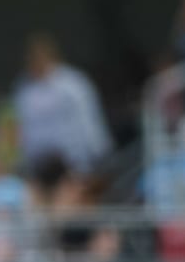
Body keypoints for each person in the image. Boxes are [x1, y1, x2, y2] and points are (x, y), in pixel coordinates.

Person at [11, 33, 112, 211]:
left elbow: (89, 122)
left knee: (71, 214)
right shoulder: (23, 88)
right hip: (38, 169)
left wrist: (96, 160)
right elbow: (19, 127)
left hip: (73, 166)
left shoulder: (73, 84)